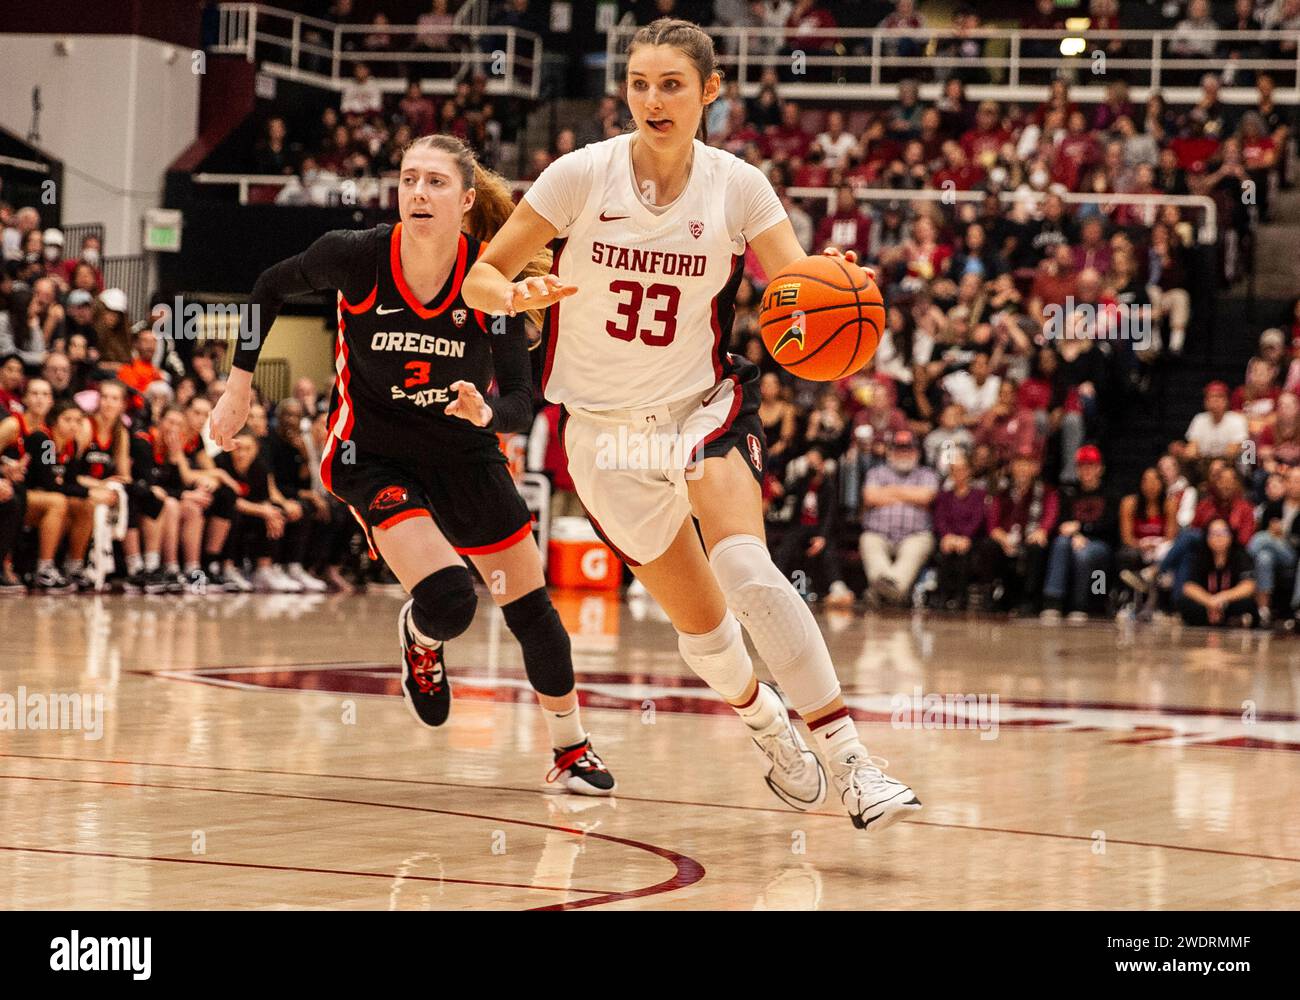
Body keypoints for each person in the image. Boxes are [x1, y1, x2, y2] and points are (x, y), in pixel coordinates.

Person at [462, 17, 921, 831]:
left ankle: (854, 762)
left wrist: (834, 289)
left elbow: (796, 295)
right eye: (639, 84)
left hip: (702, 409)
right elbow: (484, 277)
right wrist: (511, 295)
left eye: (672, 84)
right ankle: (765, 727)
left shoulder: (739, 186)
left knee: (747, 568)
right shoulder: (579, 176)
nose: (652, 100)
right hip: (602, 434)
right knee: (704, 629)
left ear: (711, 91)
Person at [209, 134, 615, 795]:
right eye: (408, 180)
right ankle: (423, 640)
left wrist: (485, 413)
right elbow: (267, 287)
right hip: (371, 453)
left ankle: (570, 748)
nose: (418, 193)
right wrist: (239, 385)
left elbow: (520, 397)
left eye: (435, 183)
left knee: (531, 609)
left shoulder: (491, 282)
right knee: (451, 598)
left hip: (464, 451)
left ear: (465, 200)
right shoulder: (358, 256)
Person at [1041, 445, 1117, 622]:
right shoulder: (1069, 493)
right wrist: (1075, 535)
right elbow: (1061, 522)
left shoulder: (1110, 494)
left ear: (1100, 468)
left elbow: (1110, 526)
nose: (1086, 471)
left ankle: (1080, 604)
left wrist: (1081, 529)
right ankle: (1053, 601)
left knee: (1084, 554)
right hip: (1072, 540)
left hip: (1100, 544)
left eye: (1091, 466)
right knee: (1060, 543)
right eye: (1082, 466)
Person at [1178, 517, 1256, 627]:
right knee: (1186, 603)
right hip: (1206, 602)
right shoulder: (1199, 555)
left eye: (1223, 532)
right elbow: (1189, 586)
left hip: (1229, 602)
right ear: (1207, 537)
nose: (1218, 537)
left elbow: (1248, 586)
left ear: (1230, 536)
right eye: (1213, 533)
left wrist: (1221, 598)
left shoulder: (1241, 555)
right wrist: (1209, 601)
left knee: (1247, 603)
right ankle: (1222, 621)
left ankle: (1230, 621)